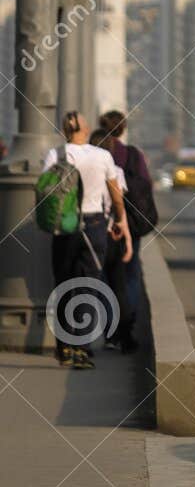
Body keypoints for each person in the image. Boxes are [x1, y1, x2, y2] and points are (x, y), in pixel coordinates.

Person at [44, 112, 132, 370]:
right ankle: (80, 350)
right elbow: (116, 195)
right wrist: (118, 219)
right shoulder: (102, 156)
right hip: (94, 226)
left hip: (64, 226)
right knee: (86, 286)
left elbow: (45, 192)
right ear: (85, 128)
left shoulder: (55, 155)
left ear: (64, 130)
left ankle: (63, 348)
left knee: (63, 285)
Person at [98, 109, 158, 346]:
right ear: (123, 129)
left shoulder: (98, 152)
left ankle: (111, 331)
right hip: (131, 224)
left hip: (103, 224)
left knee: (105, 277)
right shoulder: (133, 154)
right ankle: (129, 322)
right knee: (131, 274)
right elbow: (147, 186)